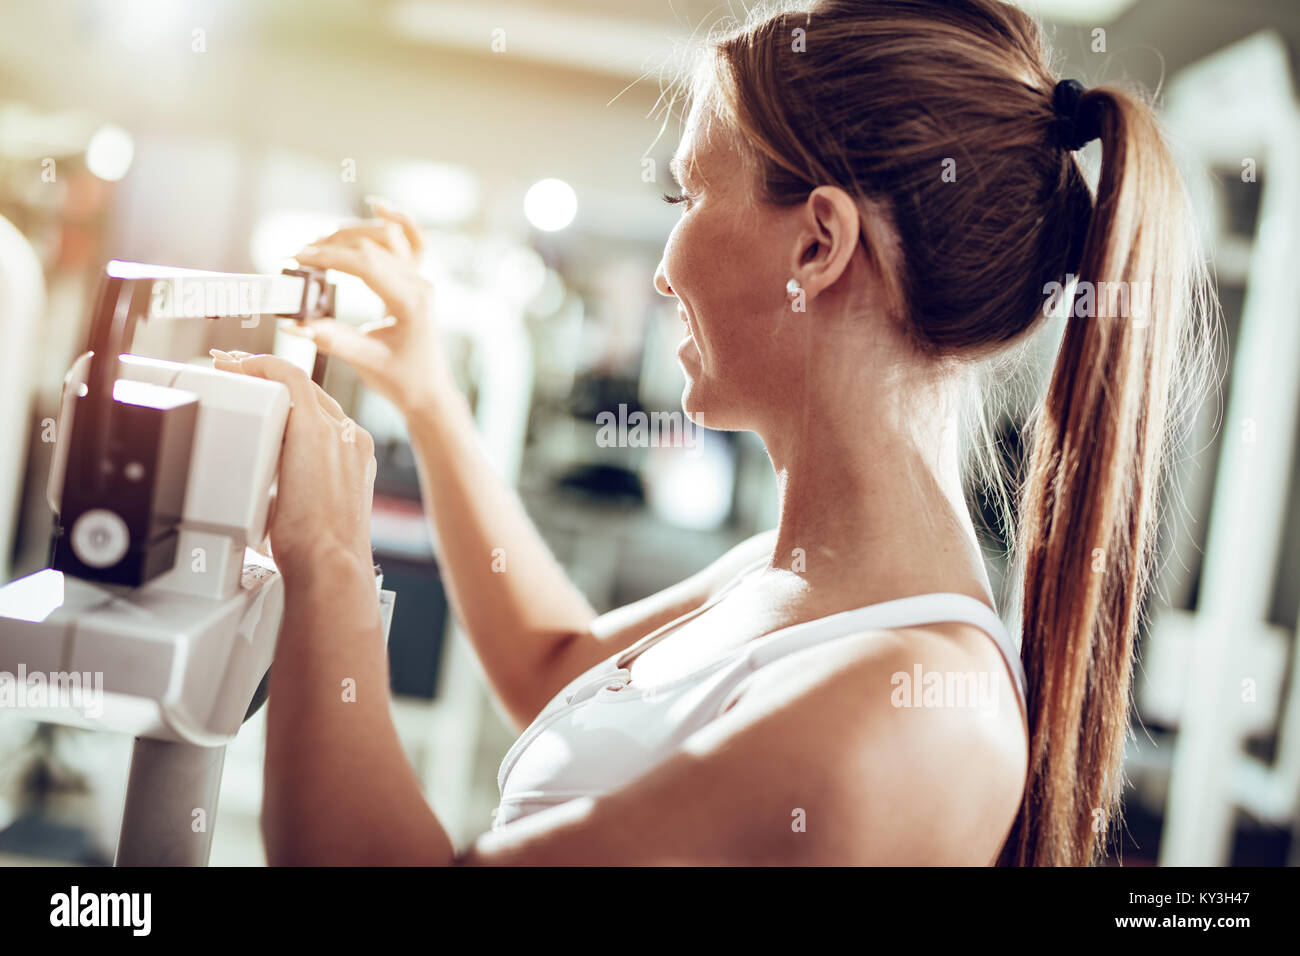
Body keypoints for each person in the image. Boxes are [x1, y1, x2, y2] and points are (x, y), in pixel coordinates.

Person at [212, 0, 1216, 866]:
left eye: (686, 194)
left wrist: (330, 554)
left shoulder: (904, 705)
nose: (663, 267)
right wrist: (431, 397)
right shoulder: (794, 580)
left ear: (817, 244)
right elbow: (550, 660)